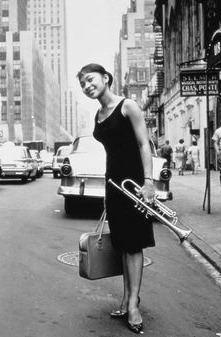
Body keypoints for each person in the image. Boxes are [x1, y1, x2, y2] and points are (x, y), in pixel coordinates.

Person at [77, 63, 155, 334]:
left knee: (133, 244)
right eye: (83, 84)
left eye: (90, 79)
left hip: (134, 183)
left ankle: (133, 304)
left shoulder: (128, 106)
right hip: (113, 184)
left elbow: (145, 144)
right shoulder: (98, 114)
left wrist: (149, 182)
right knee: (122, 243)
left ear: (106, 78)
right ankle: (126, 298)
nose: (87, 86)